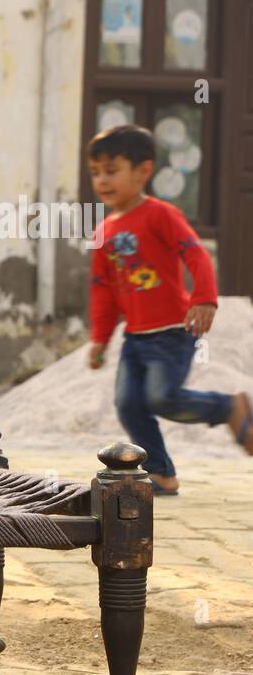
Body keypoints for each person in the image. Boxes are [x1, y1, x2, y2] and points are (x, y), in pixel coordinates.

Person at [86, 124, 253, 494]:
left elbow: (195, 253)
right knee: (128, 404)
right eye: (95, 172)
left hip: (172, 332)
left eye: (112, 171)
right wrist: (99, 339)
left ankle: (229, 407)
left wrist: (205, 298)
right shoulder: (103, 231)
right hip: (134, 337)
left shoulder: (160, 214)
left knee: (163, 398)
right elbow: (103, 291)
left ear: (143, 171)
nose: (102, 180)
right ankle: (161, 473)